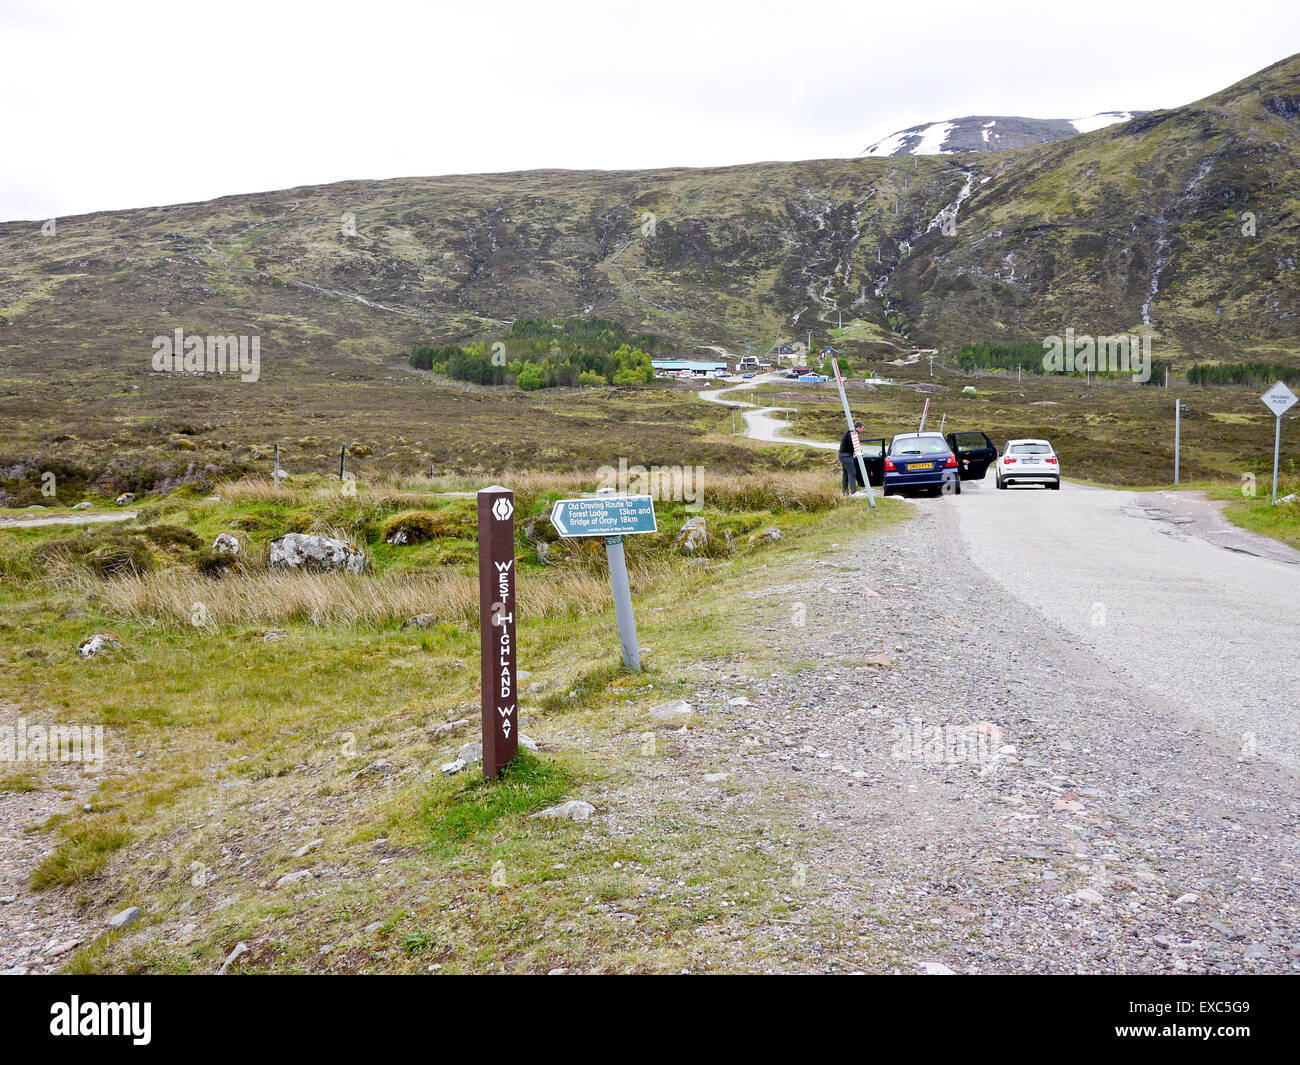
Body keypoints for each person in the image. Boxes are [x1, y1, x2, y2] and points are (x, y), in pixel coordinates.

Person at [838, 420, 865, 494]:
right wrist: (859, 452)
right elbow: (853, 443)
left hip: (843, 455)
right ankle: (854, 491)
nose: (862, 430)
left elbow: (852, 444)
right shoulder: (853, 433)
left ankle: (845, 491)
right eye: (862, 428)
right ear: (858, 427)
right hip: (846, 456)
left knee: (846, 474)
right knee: (852, 472)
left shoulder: (849, 431)